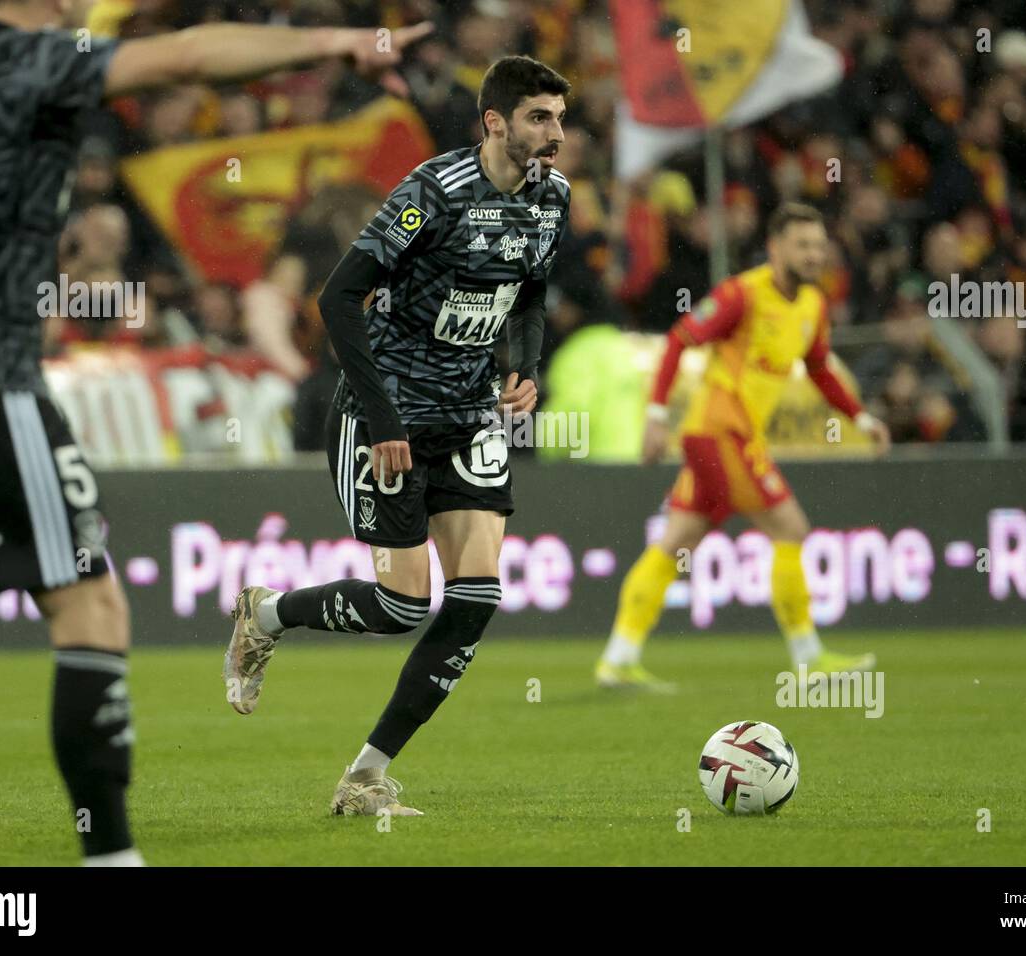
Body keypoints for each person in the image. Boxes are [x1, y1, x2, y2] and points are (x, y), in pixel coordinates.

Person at [0, 0, 431, 865]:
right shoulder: (32, 59)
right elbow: (185, 57)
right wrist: (334, 42)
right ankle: (112, 857)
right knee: (89, 605)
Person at [223, 55, 572, 818]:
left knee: (476, 597)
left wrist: (526, 365)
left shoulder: (553, 197)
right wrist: (382, 420)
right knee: (403, 607)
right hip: (387, 415)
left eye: (559, 118)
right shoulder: (434, 192)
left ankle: (365, 776)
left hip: (468, 416)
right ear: (495, 122)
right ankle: (267, 614)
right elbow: (337, 297)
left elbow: (531, 290)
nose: (555, 133)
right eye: (539, 117)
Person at [596, 203, 891, 691]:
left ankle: (618, 659)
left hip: (729, 437)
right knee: (790, 528)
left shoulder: (812, 306)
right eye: (802, 245)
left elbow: (819, 368)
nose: (813, 254)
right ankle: (808, 659)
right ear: (776, 248)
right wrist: (656, 416)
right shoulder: (741, 295)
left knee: (678, 540)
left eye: (819, 245)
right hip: (718, 431)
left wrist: (860, 418)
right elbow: (678, 341)